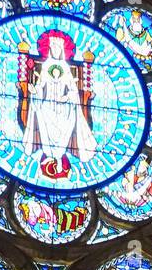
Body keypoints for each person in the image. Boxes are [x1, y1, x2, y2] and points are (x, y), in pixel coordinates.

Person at [22, 30, 96, 180]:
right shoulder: (45, 67)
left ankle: (59, 155)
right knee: (41, 113)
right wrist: (33, 90)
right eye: (53, 47)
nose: (56, 50)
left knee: (68, 119)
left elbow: (74, 90)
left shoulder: (66, 68)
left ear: (62, 49)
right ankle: (50, 155)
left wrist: (67, 97)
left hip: (64, 106)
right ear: (50, 48)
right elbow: (40, 87)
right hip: (47, 105)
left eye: (58, 47)